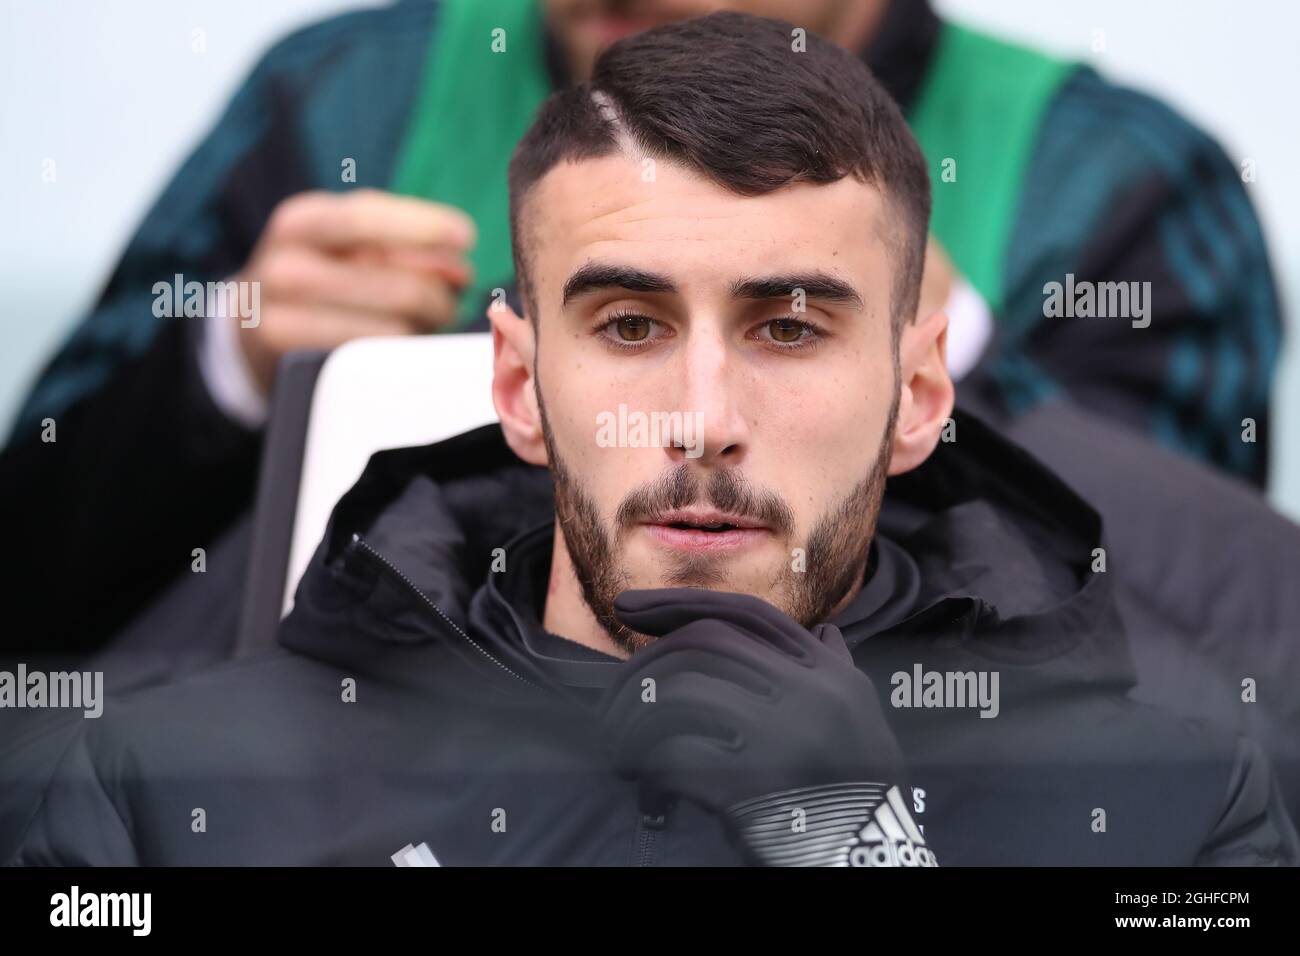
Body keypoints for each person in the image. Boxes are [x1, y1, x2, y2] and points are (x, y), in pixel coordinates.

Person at [10, 14, 1294, 866]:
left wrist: (856, 843)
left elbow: (1179, 590)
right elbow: (30, 573)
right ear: (513, 377)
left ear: (920, 391)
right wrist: (218, 360)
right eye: (626, 323)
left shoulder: (1175, 806)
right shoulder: (155, 791)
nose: (699, 419)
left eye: (789, 328)